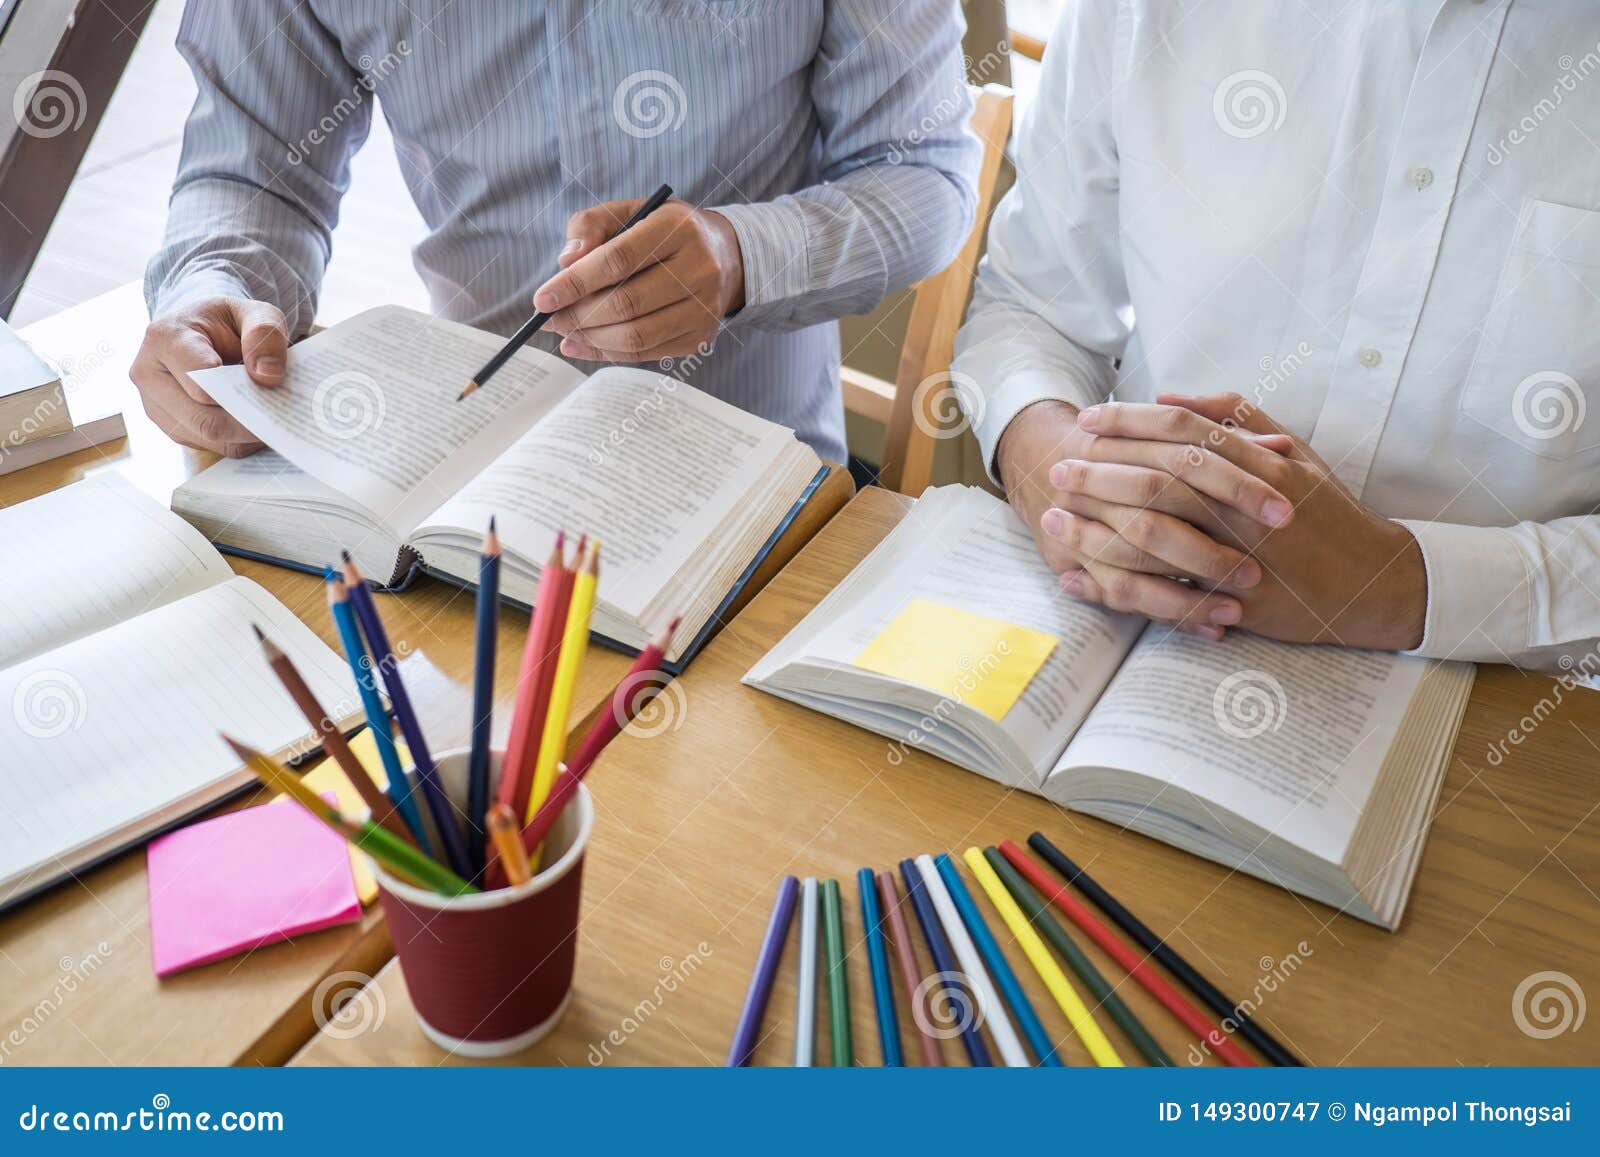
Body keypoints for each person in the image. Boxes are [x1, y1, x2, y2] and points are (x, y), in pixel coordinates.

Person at [954, 0, 1600, 669]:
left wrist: (1398, 587)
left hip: (1503, 707)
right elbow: (1032, 303)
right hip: (1126, 638)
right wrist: (1056, 472)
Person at [135, 1, 981, 466]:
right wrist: (216, 289)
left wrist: (738, 257)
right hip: (459, 476)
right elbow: (254, 172)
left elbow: (927, 175)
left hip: (751, 486)